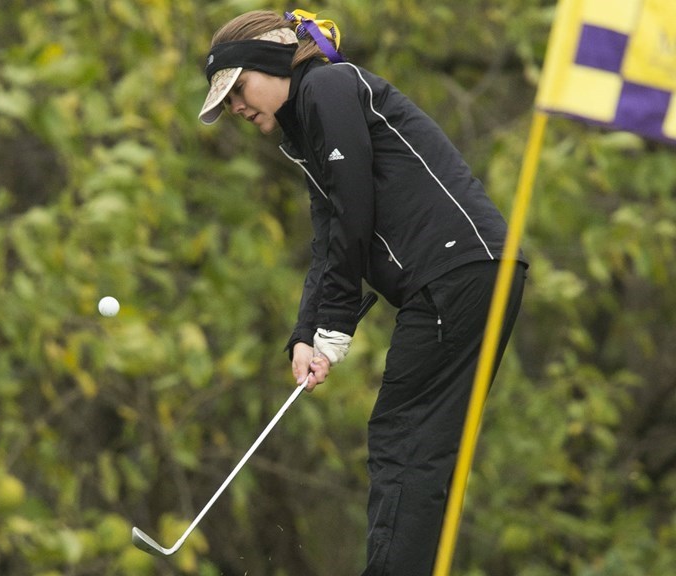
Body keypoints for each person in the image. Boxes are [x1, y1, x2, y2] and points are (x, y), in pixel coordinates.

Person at [198, 9, 527, 575]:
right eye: (226, 100)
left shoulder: (328, 86)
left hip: (457, 274)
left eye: (237, 89)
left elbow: (354, 206)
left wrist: (337, 325)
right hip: (469, 276)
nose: (235, 107)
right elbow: (330, 239)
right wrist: (307, 334)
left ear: (270, 64)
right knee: (424, 447)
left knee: (403, 439)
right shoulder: (307, 127)